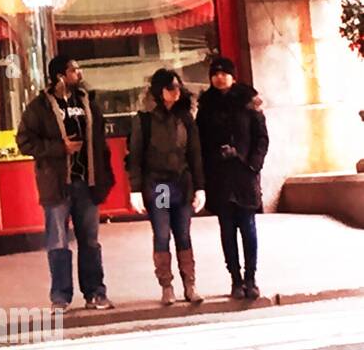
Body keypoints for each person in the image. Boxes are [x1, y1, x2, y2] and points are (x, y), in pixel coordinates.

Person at [18, 55, 116, 310]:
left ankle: (95, 292)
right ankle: (60, 296)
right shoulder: (39, 106)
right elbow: (24, 142)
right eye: (74, 70)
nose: (79, 73)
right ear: (60, 75)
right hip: (57, 186)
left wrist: (106, 176)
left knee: (90, 241)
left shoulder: (87, 102)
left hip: (87, 182)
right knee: (58, 242)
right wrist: (59, 148)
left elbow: (100, 143)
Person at [128, 68, 206, 305]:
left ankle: (190, 284)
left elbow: (195, 154)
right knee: (162, 234)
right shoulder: (145, 120)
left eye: (177, 87)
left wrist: (200, 187)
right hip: (159, 186)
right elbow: (136, 157)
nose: (175, 92)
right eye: (170, 87)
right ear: (159, 91)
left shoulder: (185, 118)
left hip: (181, 184)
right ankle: (167, 286)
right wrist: (135, 190)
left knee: (183, 234)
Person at [196, 56, 268, 300]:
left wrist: (253, 164)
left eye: (224, 73)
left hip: (245, 174)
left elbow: (261, 137)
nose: (219, 77)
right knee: (227, 230)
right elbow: (200, 143)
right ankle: (235, 279)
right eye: (214, 74)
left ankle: (251, 278)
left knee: (248, 227)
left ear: (233, 76)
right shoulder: (206, 105)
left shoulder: (248, 100)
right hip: (219, 176)